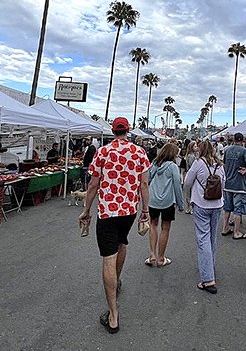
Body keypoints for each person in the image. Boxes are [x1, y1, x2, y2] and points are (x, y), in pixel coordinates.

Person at [78, 117, 150, 334]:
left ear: (113, 130)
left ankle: (113, 315)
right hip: (129, 210)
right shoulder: (139, 153)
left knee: (108, 257)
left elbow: (93, 185)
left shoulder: (103, 152)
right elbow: (144, 183)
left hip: (108, 211)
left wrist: (86, 210)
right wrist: (145, 210)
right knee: (121, 243)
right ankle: (116, 281)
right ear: (128, 130)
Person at [184, 140, 225, 293]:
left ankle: (208, 278)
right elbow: (224, 184)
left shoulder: (198, 163)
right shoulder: (220, 164)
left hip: (201, 204)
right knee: (212, 237)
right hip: (217, 205)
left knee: (203, 239)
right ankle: (210, 265)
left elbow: (187, 182)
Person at [146, 143, 183, 267]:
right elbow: (177, 186)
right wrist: (180, 203)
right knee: (165, 228)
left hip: (153, 199)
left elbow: (148, 179)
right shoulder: (173, 167)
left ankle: (152, 254)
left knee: (153, 224)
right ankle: (161, 258)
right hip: (167, 201)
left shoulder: (154, 164)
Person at [221, 132, 246, 240]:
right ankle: (236, 232)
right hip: (239, 184)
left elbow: (224, 164)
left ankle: (225, 228)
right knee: (237, 210)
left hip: (228, 183)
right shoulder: (244, 150)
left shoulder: (227, 150)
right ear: (242, 141)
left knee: (227, 208)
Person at [184, 141, 199, 215]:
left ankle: (188, 208)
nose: (197, 147)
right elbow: (193, 167)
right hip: (191, 175)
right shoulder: (192, 156)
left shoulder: (189, 155)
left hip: (188, 174)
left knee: (188, 192)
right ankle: (190, 208)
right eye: (195, 146)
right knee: (191, 192)